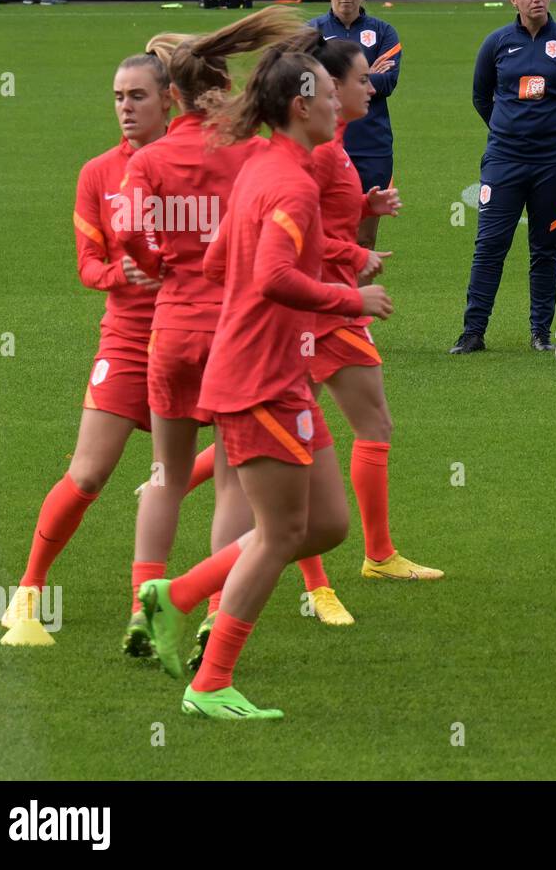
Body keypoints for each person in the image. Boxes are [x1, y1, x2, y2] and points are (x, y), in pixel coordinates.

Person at [140, 40, 392, 720]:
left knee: (327, 525)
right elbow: (272, 276)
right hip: (261, 380)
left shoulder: (267, 164)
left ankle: (178, 592)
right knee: (281, 533)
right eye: (330, 91)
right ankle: (212, 682)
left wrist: (258, 314)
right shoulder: (288, 180)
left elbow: (223, 259)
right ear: (301, 104)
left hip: (279, 367)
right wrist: (348, 299)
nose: (343, 98)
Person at [115, 8, 302, 660]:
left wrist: (158, 259)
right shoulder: (251, 152)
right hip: (231, 336)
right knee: (230, 482)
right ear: (224, 87)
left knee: (165, 473)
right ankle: (211, 613)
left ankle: (144, 609)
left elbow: (129, 235)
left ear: (173, 95)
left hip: (169, 330)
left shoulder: (150, 158)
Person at [0, 52, 175, 646]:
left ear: (168, 99)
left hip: (193, 339)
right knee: (90, 474)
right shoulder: (98, 173)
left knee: (242, 465)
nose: (126, 108)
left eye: (138, 97)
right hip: (127, 341)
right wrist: (121, 275)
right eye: (119, 97)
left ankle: (313, 585)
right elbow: (88, 266)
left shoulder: (197, 167)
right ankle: (29, 588)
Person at [307, 34, 442, 596]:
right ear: (332, 88)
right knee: (368, 427)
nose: (371, 86)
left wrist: (366, 207)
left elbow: (322, 219)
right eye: (362, 79)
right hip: (323, 305)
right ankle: (374, 556)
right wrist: (354, 254)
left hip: (325, 300)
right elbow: (296, 233)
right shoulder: (318, 151)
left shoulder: (334, 144)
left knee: (278, 429)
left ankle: (167, 481)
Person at [450, 0, 556, 355]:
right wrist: (506, 129)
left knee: (546, 247)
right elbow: (482, 97)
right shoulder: (496, 43)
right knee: (489, 245)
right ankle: (473, 332)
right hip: (504, 161)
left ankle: (541, 333)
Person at [308, 0, 402, 254]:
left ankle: (356, 301)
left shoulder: (385, 32)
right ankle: (328, 299)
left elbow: (387, 84)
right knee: (323, 237)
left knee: (365, 241)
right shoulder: (311, 33)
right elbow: (305, 86)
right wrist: (367, 74)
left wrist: (331, 79)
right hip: (323, 144)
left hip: (372, 146)